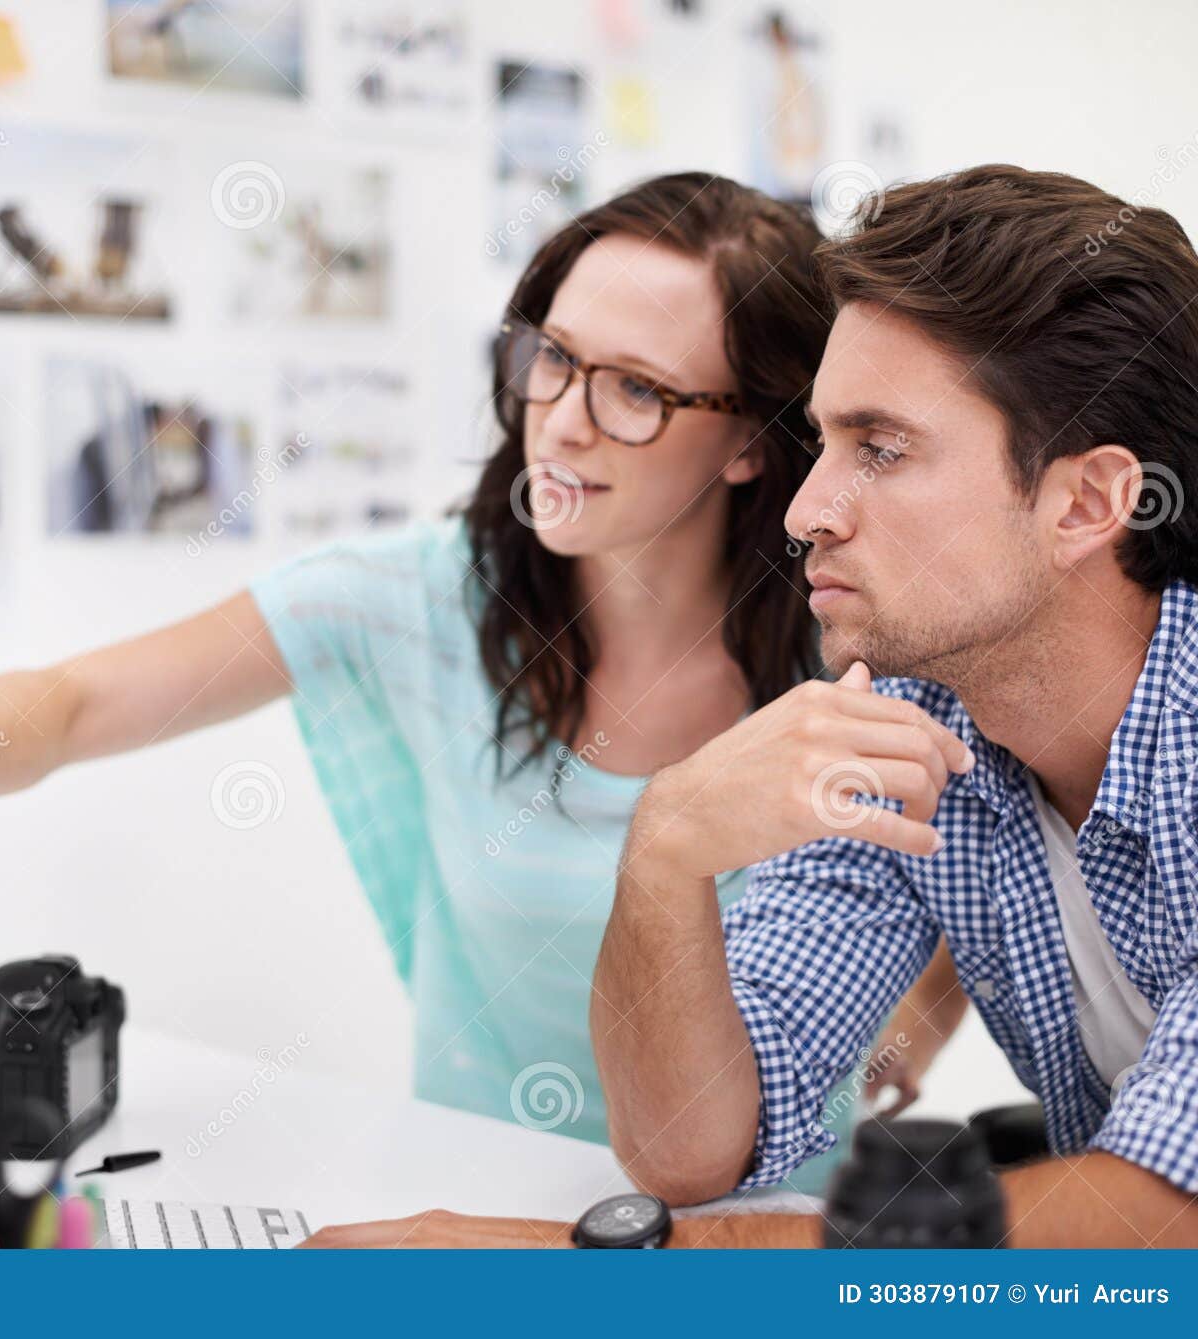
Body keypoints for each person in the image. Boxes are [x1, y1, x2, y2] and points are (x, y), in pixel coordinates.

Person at [0, 173, 959, 1195]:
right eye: (551, 359)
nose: (559, 423)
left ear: (754, 440)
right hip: (470, 1219)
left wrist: (920, 1017)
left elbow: (1008, 834)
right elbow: (79, 699)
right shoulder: (413, 599)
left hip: (757, 1242)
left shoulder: (855, 647)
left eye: (637, 391)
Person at [323, 164, 1198, 1248]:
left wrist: (609, 1267)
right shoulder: (921, 714)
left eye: (878, 449)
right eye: (823, 443)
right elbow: (692, 1146)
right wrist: (664, 848)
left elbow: (1163, 1215)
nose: (803, 510)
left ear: (1086, 502)